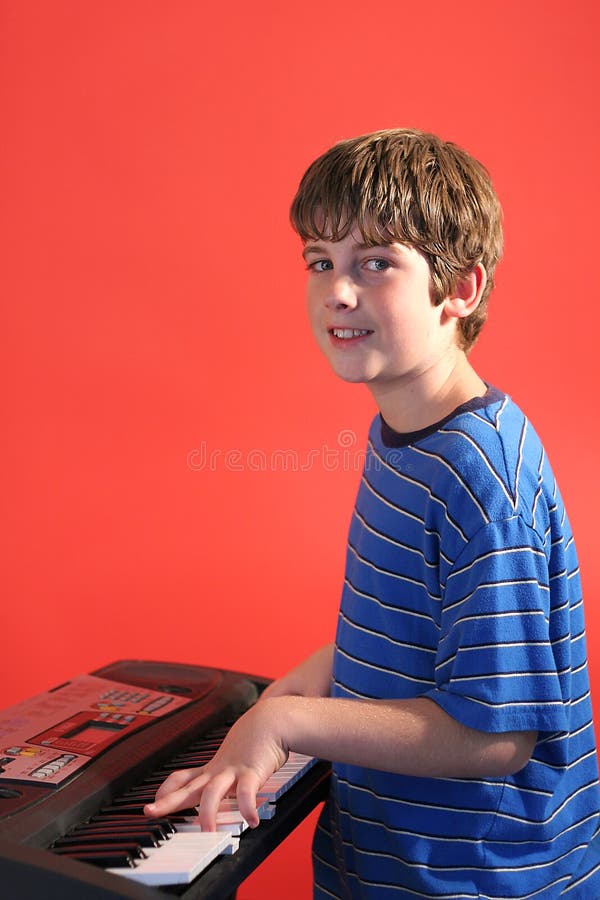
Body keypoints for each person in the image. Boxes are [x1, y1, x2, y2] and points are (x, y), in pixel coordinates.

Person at [145, 129, 600, 898]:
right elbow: (409, 636)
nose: (338, 291)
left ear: (460, 289)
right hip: (383, 868)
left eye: (375, 264)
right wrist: (289, 691)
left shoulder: (483, 478)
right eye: (320, 262)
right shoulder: (403, 435)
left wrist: (287, 726)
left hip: (478, 883)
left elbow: (494, 736)